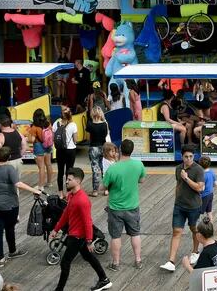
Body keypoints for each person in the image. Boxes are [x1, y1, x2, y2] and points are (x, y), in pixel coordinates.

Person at [50, 167, 111, 291]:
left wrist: (89, 240)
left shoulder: (82, 200)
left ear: (78, 181)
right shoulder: (71, 195)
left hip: (77, 237)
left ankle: (59, 289)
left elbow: (88, 222)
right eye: (66, 179)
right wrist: (56, 229)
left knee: (65, 263)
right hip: (75, 234)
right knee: (88, 257)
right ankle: (104, 279)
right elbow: (66, 213)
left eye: (69, 179)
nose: (66, 181)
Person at [0, 146, 42, 267]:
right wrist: (35, 190)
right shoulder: (9, 169)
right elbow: (18, 184)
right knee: (10, 228)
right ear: (9, 157)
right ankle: (12, 251)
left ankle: (1, 258)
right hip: (9, 205)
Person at [102, 139, 146, 271]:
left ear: (120, 149)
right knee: (135, 234)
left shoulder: (113, 168)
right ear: (132, 150)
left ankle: (115, 263)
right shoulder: (139, 165)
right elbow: (142, 180)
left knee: (115, 236)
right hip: (132, 206)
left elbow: (103, 187)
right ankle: (138, 260)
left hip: (115, 207)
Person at [161, 144, 205, 272]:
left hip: (194, 206)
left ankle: (195, 251)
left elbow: (199, 188)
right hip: (179, 206)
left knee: (194, 229)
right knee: (176, 232)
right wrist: (176, 198)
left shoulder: (198, 170)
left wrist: (186, 178)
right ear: (182, 156)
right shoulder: (178, 168)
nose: (189, 159)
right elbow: (178, 185)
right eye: (186, 156)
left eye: (191, 156)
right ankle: (171, 261)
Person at [53, 106, 78, 199]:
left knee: (60, 171)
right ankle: (68, 192)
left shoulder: (56, 123)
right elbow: (75, 140)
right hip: (70, 150)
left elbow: (53, 138)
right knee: (69, 171)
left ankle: (60, 192)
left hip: (60, 150)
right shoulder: (73, 125)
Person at [26, 109, 53, 189]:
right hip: (48, 145)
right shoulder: (48, 124)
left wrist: (28, 137)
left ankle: (41, 186)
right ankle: (49, 182)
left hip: (39, 146)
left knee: (41, 167)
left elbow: (33, 140)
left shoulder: (34, 127)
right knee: (48, 164)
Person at [0, 114, 26, 179]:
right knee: (16, 182)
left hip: (7, 163)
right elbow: (24, 146)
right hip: (18, 161)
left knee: (6, 183)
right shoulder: (18, 133)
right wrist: (19, 155)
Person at [86, 106, 109, 196]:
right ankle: (106, 189)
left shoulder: (90, 124)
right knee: (104, 168)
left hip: (93, 148)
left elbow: (88, 138)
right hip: (103, 147)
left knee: (95, 169)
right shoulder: (104, 124)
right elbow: (106, 135)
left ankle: (95, 190)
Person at [199, 156, 217, 220]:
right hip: (210, 194)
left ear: (200, 165)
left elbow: (202, 188)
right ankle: (211, 225)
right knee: (209, 212)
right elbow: (215, 184)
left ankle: (199, 227)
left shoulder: (202, 175)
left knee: (200, 212)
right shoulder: (212, 172)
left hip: (204, 196)